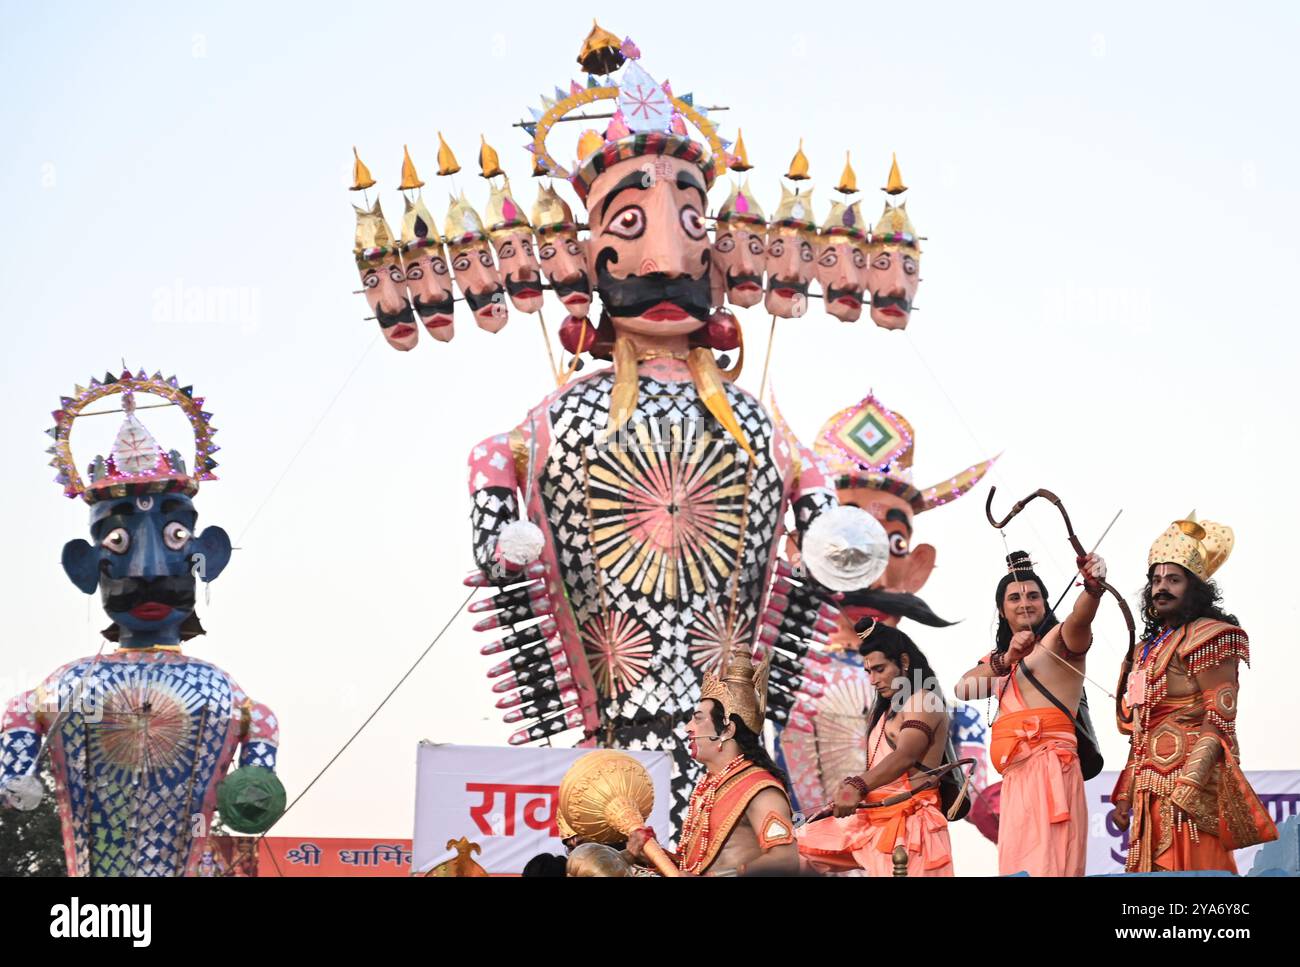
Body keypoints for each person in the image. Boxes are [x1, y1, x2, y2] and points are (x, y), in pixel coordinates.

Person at [1110, 515, 1276, 872]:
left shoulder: (1212, 636)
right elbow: (1141, 730)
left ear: (1195, 586)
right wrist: (1125, 793)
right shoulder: (1146, 648)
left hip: (1191, 788)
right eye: (1155, 580)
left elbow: (1219, 721)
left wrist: (1189, 784)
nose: (1161, 588)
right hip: (1148, 790)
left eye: (1173, 579)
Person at [953, 550, 1107, 876]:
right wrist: (1007, 659)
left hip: (1051, 771)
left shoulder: (1060, 640)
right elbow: (962, 689)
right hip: (1014, 778)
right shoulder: (1000, 661)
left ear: (1045, 603)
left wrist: (1092, 589)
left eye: (1033, 596)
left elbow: (1081, 618)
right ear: (1001, 609)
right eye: (1015, 598)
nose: (1025, 603)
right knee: (1016, 869)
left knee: (1048, 867)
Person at [626, 646, 798, 876]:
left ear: (727, 730)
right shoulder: (709, 788)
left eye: (698, 719)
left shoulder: (759, 788)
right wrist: (654, 854)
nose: (688, 728)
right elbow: (696, 870)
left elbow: (786, 861)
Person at [798, 622, 954, 875]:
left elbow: (905, 756)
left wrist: (856, 786)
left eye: (879, 669)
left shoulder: (925, 699)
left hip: (910, 829)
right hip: (873, 822)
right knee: (795, 847)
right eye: (868, 671)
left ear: (903, 661)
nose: (873, 680)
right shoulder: (887, 711)